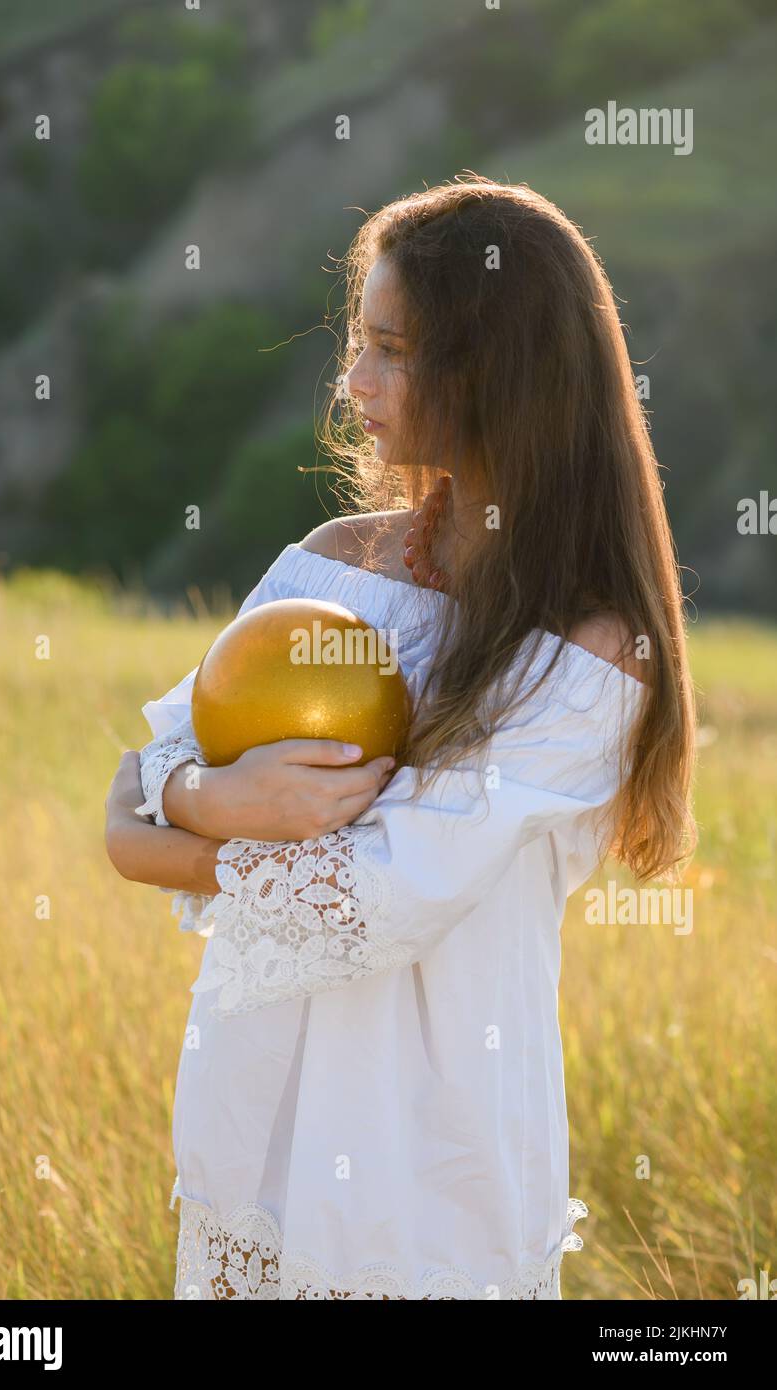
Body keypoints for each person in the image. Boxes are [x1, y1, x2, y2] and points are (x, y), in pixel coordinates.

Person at [104, 176, 696, 1300]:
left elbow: (367, 907)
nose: (352, 382)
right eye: (356, 343)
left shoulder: (589, 652)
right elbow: (127, 807)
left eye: (388, 350)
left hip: (426, 1179)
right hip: (252, 1140)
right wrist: (205, 804)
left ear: (494, 373)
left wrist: (180, 813)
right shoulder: (329, 563)